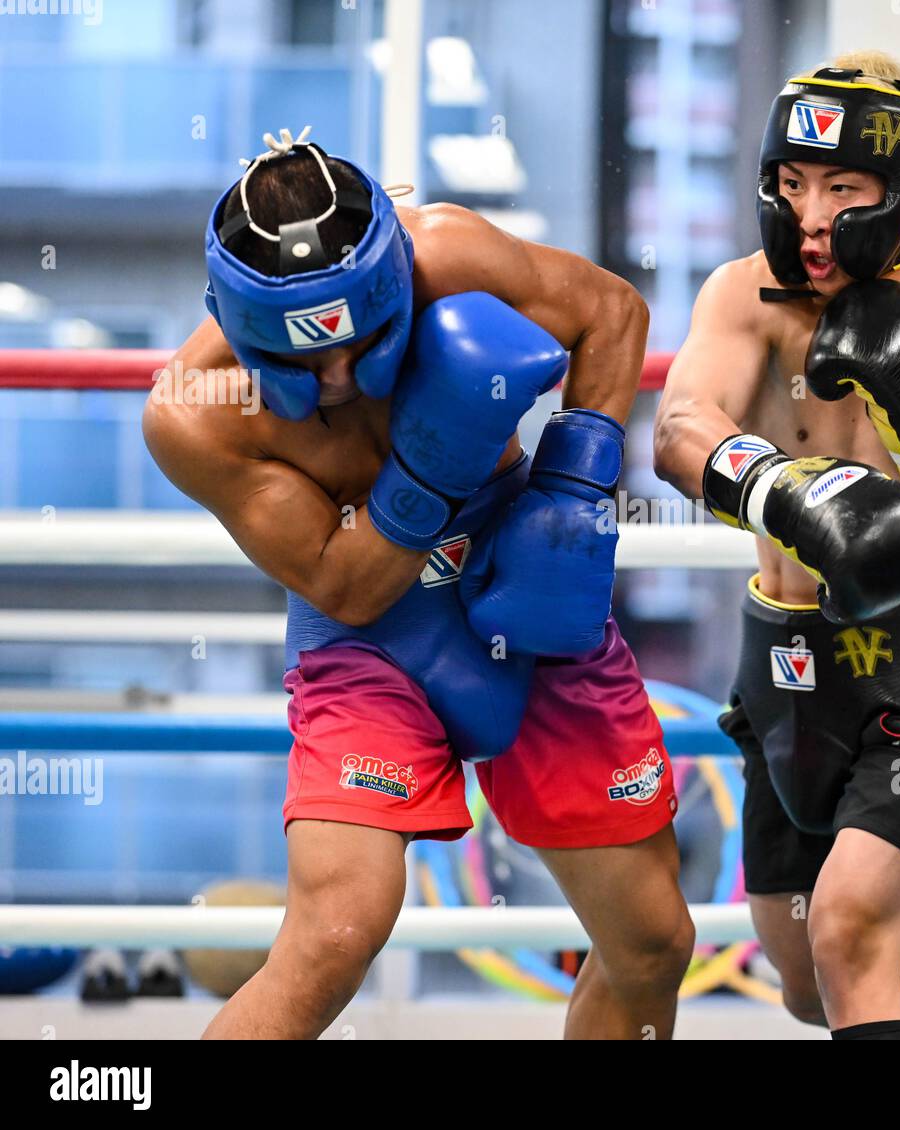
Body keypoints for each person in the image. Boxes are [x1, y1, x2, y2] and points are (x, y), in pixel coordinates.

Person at [144, 128, 692, 1040]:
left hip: (523, 576)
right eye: (301, 361)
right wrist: (437, 455)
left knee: (650, 943)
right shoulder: (195, 418)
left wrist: (572, 483)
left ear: (393, 282)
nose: (339, 378)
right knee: (336, 933)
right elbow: (346, 585)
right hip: (370, 641)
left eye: (361, 343)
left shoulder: (447, 252)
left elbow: (612, 310)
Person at [653, 53, 900, 1039]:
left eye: (843, 188)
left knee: (851, 934)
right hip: (784, 672)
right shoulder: (743, 295)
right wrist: (789, 493)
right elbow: (677, 429)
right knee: (806, 977)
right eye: (792, 184)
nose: (809, 216)